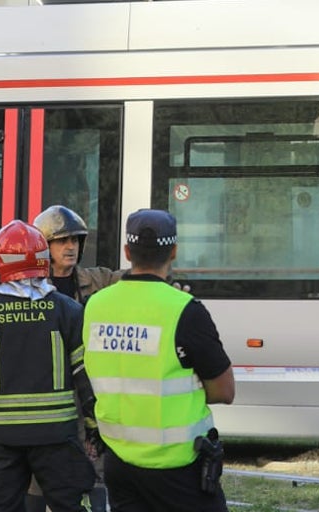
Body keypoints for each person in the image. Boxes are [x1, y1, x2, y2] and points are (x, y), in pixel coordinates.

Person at [82, 208, 235, 512]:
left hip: (119, 462)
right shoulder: (185, 309)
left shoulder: (94, 306)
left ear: (127, 252)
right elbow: (224, 391)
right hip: (178, 465)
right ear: (174, 251)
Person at [0, 220, 97, 512]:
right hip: (57, 437)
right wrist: (93, 430)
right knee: (68, 506)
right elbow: (87, 378)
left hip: (0, 441)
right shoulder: (69, 311)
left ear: (3, 262)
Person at [27, 205, 122, 512]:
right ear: (44, 245)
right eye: (62, 241)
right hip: (48, 399)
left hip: (89, 395)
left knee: (97, 471)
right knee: (39, 478)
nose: (71, 247)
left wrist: (168, 284)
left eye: (76, 240)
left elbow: (137, 280)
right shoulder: (28, 289)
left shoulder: (99, 280)